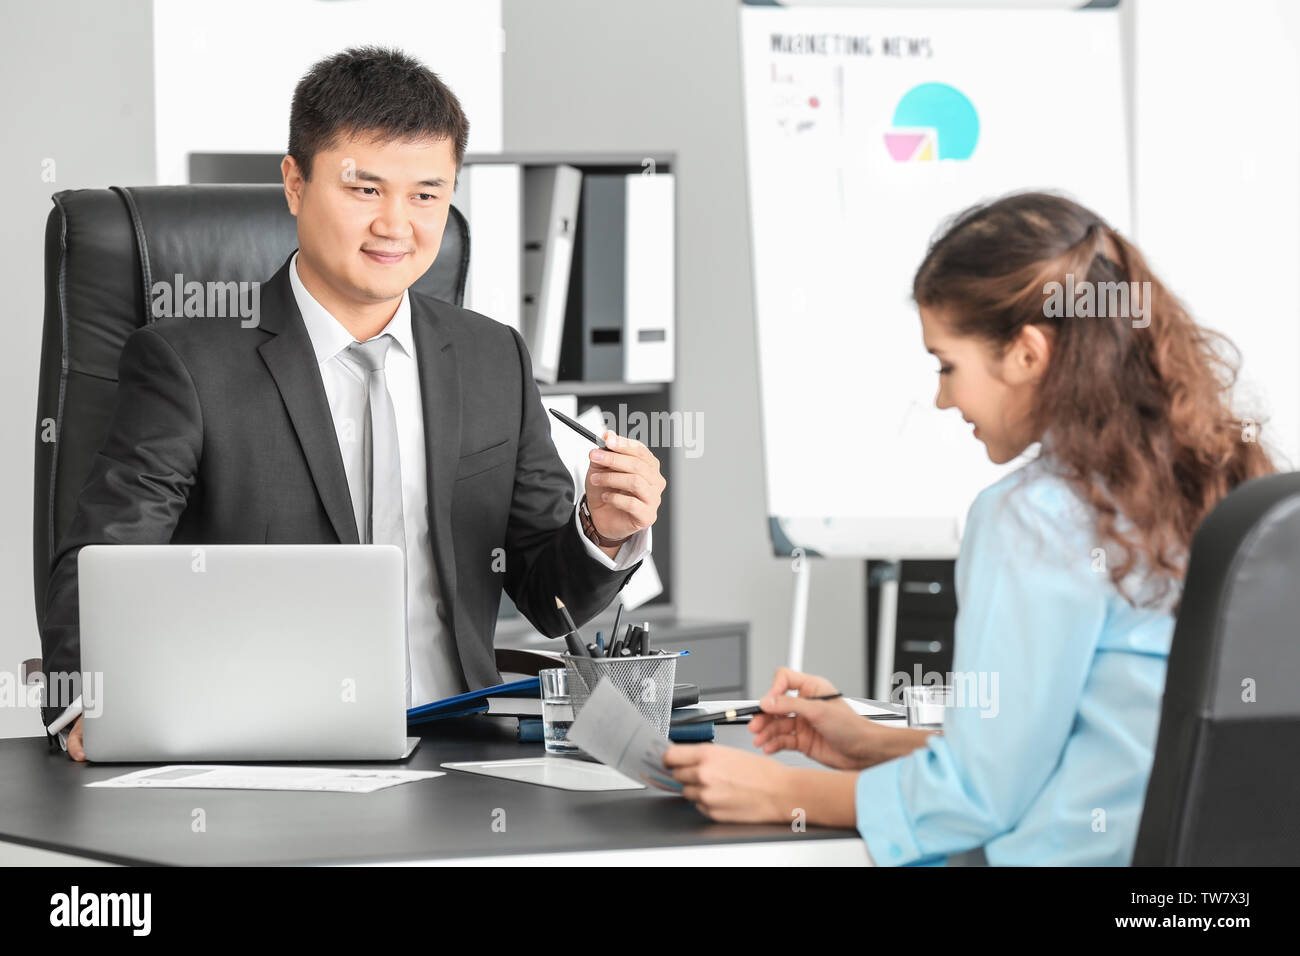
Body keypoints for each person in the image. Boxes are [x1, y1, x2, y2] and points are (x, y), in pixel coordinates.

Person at [40, 46, 666, 759]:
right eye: (364, 189)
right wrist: (91, 700)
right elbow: (105, 563)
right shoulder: (187, 364)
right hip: (262, 754)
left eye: (427, 195)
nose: (397, 225)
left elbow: (550, 599)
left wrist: (604, 530)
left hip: (463, 751)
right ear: (296, 184)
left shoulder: (494, 357)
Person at [663, 191, 1275, 865]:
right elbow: (1097, 752)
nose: (942, 397)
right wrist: (875, 743)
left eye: (947, 365)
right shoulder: (1218, 477)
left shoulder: (1034, 517)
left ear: (1027, 354)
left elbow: (979, 797)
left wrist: (780, 794)